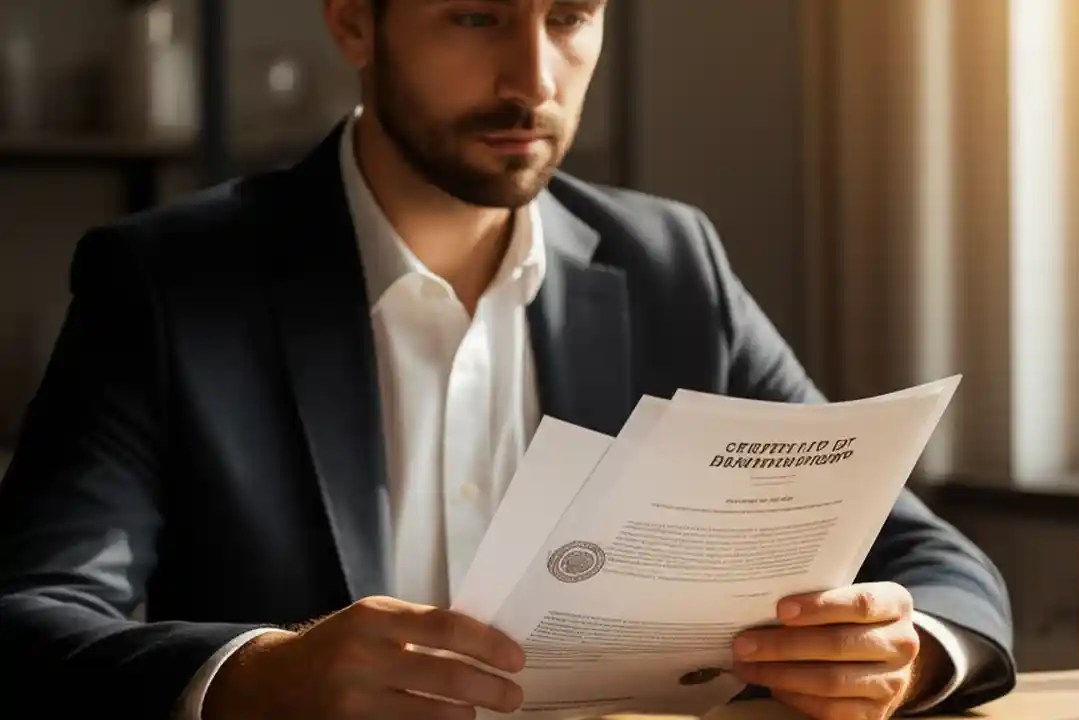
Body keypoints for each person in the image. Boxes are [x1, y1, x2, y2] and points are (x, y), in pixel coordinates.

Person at [0, 0, 1016, 717]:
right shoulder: (169, 282)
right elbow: (27, 616)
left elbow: (933, 566)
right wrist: (257, 676)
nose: (533, 79)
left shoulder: (670, 264)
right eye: (476, 17)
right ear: (352, 22)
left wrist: (905, 654)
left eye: (569, 16)